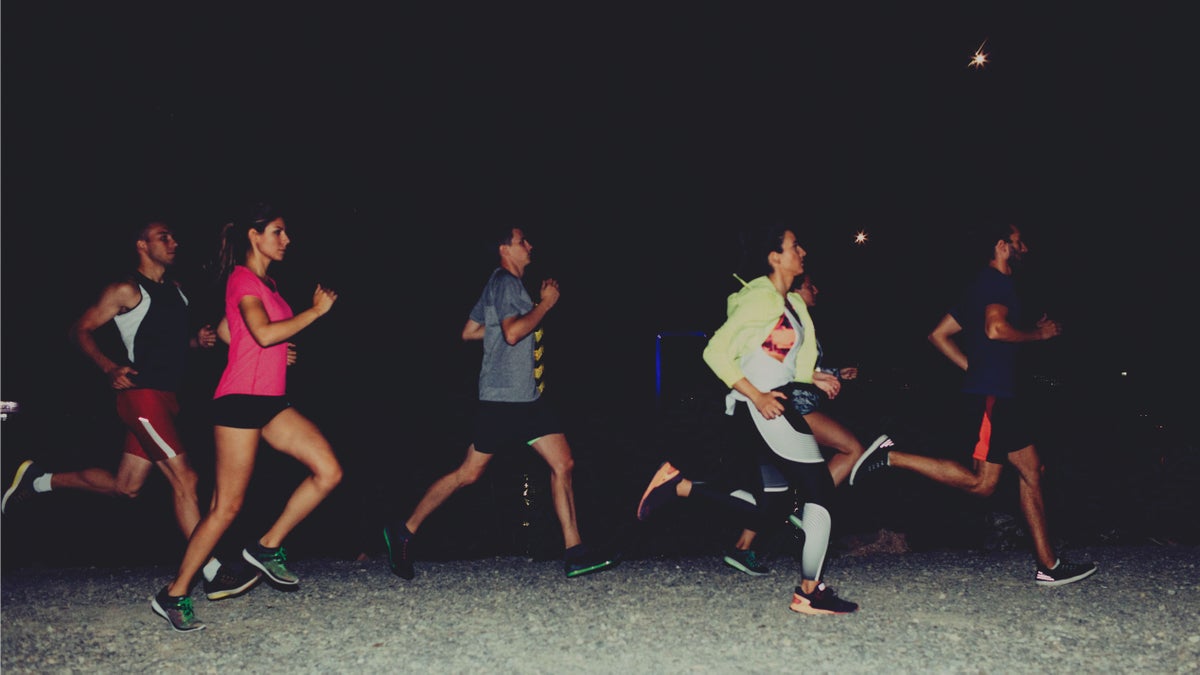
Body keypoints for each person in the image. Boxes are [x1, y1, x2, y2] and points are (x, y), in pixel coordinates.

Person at [1, 219, 261, 602]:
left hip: (166, 398)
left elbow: (166, 345)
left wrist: (197, 341)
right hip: (140, 396)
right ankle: (212, 571)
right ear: (142, 245)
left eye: (174, 236)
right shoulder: (126, 289)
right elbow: (79, 329)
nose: (174, 242)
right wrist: (109, 368)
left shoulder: (175, 291)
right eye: (164, 237)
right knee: (185, 479)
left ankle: (38, 480)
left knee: (127, 488)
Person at [849, 222, 1097, 587]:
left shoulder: (980, 284)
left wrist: (972, 367)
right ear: (1002, 246)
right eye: (1018, 242)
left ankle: (1049, 565)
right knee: (983, 485)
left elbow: (938, 335)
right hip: (993, 395)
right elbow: (996, 330)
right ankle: (890, 456)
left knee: (1033, 470)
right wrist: (1038, 334)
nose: (1024, 249)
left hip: (999, 392)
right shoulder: (997, 283)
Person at [638, 225, 858, 614]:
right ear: (775, 257)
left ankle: (681, 485)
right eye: (794, 246)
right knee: (819, 490)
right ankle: (809, 591)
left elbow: (776, 357)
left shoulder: (792, 303)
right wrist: (756, 396)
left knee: (768, 510)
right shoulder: (760, 300)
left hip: (773, 401)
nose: (802, 250)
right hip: (764, 406)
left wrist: (816, 377)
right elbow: (715, 352)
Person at [150, 202, 343, 632]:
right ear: (254, 237)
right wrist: (313, 314)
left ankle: (268, 546)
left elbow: (230, 331)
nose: (286, 240)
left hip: (271, 401)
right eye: (278, 231)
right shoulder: (241, 279)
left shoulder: (267, 285)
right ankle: (174, 593)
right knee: (225, 507)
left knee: (328, 471)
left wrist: (275, 350)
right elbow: (261, 332)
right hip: (239, 402)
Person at [383, 226, 616, 581]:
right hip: (505, 401)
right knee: (468, 474)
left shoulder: (498, 283)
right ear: (505, 249)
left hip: (527, 400)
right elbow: (511, 333)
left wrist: (511, 322)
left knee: (563, 462)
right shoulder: (506, 283)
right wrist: (546, 305)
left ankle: (575, 551)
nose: (530, 246)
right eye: (523, 241)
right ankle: (405, 528)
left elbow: (471, 330)